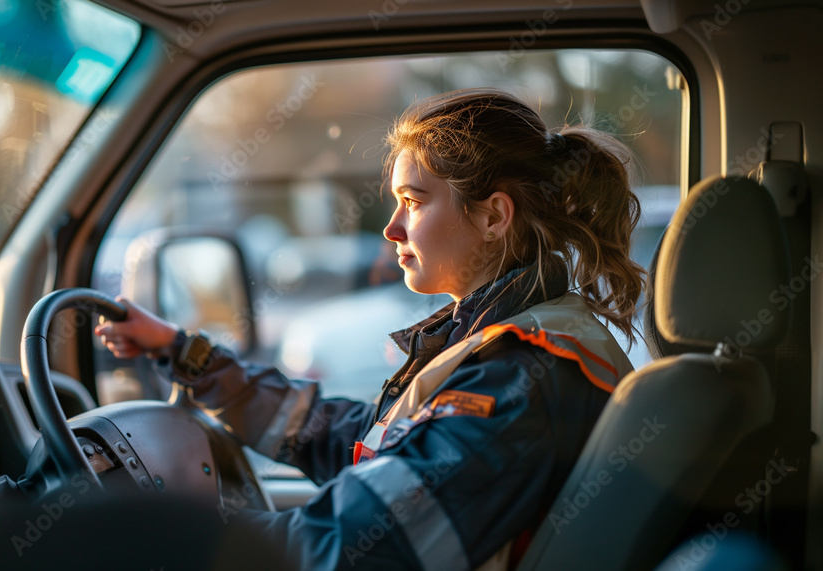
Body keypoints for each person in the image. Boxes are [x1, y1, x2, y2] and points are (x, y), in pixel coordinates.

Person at [95, 88, 645, 570]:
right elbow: (371, 446)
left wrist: (149, 539)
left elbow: (347, 548)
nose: (392, 227)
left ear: (493, 217)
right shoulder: (510, 342)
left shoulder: (521, 376)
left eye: (413, 201)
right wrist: (186, 356)